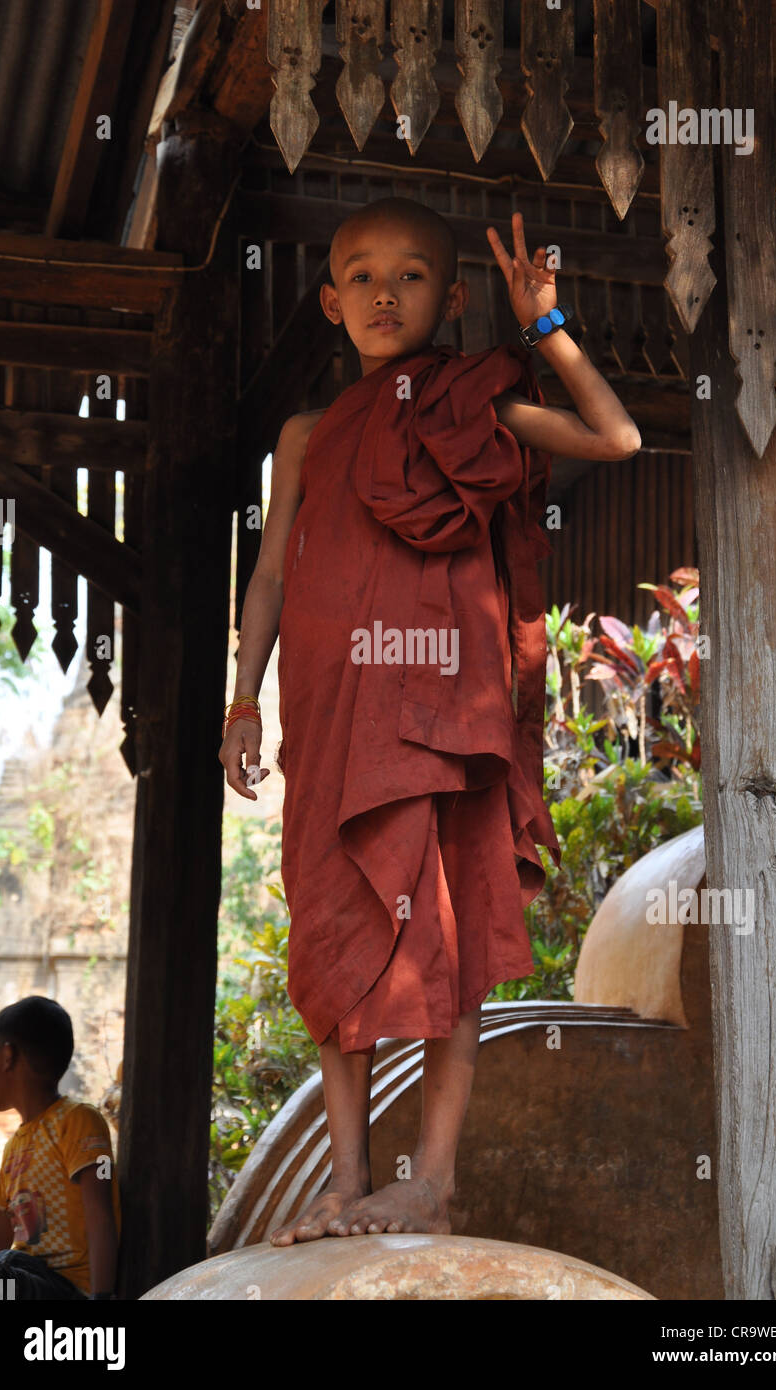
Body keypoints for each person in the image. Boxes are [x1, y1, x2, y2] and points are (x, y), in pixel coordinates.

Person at [219, 197, 640, 1243]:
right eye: (358, 275)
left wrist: (543, 324)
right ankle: (345, 1183)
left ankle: (434, 1179)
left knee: (442, 936)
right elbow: (269, 577)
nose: (380, 293)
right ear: (327, 299)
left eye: (409, 276)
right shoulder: (306, 437)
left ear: (449, 298)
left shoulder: (470, 407)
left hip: (443, 719)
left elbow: (614, 435)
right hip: (331, 719)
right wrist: (241, 697)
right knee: (331, 931)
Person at [0, 996, 120, 1299]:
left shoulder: (79, 1121)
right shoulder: (14, 1148)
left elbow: (101, 1215)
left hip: (64, 1290)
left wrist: (103, 1298)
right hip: (15, 1280)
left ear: (6, 1057)